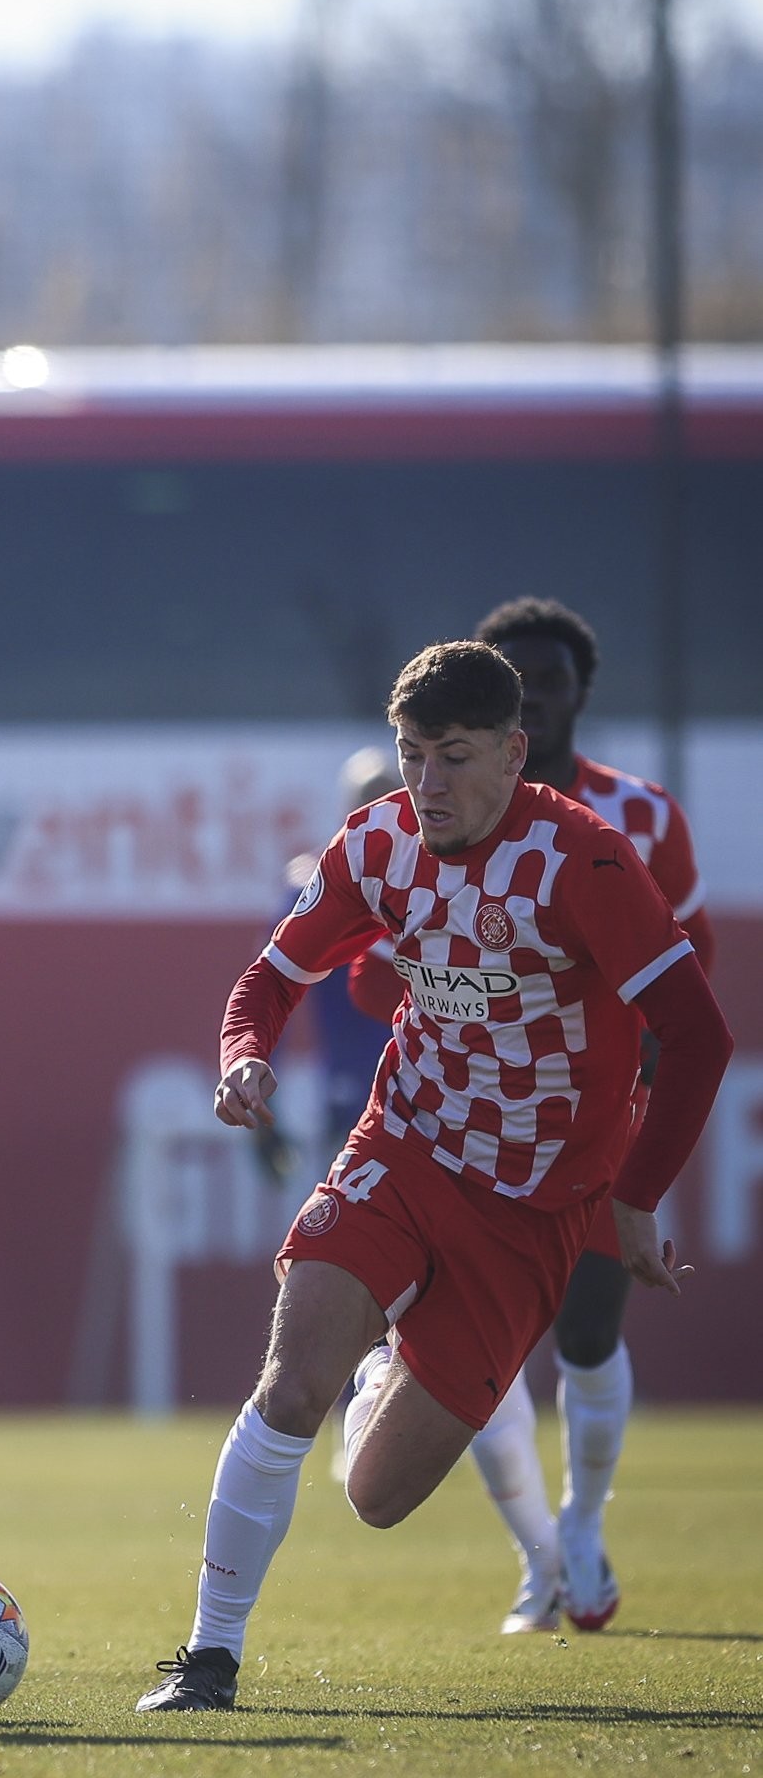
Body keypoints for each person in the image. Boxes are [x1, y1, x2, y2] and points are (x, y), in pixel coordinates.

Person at [136, 640, 731, 1713]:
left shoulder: (583, 861)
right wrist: (242, 1058)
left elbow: (697, 1034)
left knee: (375, 1496)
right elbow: (268, 978)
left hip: (537, 1207)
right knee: (287, 1383)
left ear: (513, 754)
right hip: (402, 1147)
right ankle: (207, 1658)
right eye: (412, 755)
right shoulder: (374, 844)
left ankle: (389, 1370)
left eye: (452, 758)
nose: (426, 785)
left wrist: (635, 1197)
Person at [456, 600, 712, 1633]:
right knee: (464, 1346)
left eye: (547, 679)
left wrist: (628, 1065)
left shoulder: (642, 817)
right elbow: (382, 974)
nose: (530, 694)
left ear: (577, 693)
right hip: (464, 1117)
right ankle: (539, 1559)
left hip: (601, 1118)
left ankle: (583, 1522)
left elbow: (688, 975)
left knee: (586, 1331)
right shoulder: (440, 806)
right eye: (508, 678)